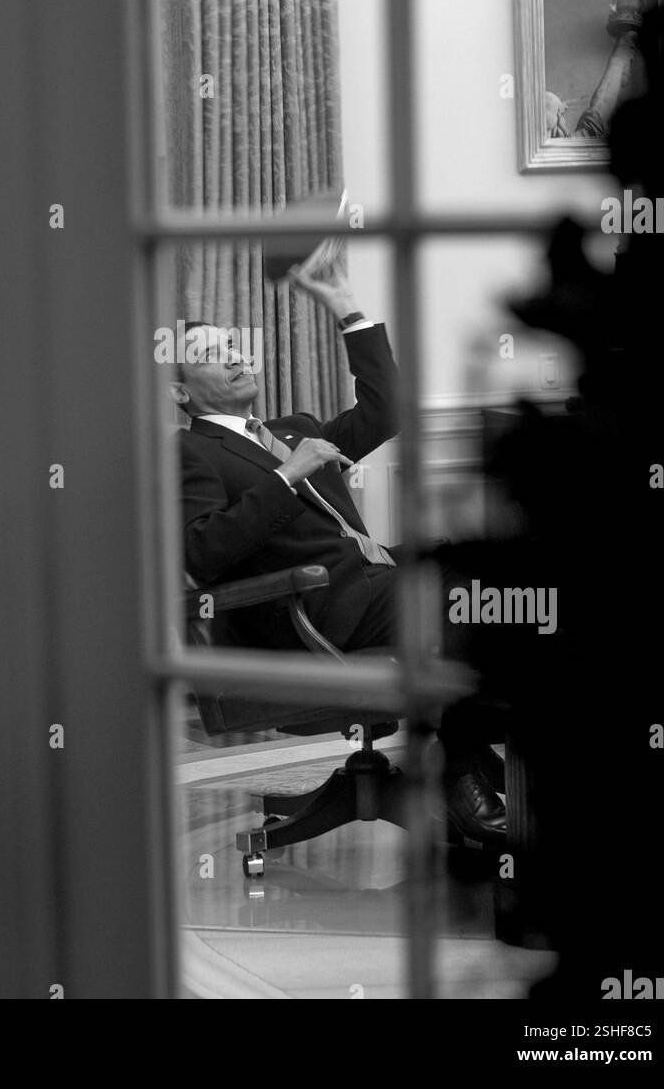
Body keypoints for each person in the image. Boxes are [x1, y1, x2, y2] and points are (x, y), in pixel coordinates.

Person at [170, 265, 507, 845]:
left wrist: (346, 304)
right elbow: (202, 553)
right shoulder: (190, 451)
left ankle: (473, 749)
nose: (232, 355)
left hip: (372, 581)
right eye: (210, 353)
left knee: (495, 568)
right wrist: (285, 476)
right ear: (180, 391)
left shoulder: (296, 430)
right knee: (459, 601)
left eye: (232, 344)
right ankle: (459, 765)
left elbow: (386, 412)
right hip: (316, 612)